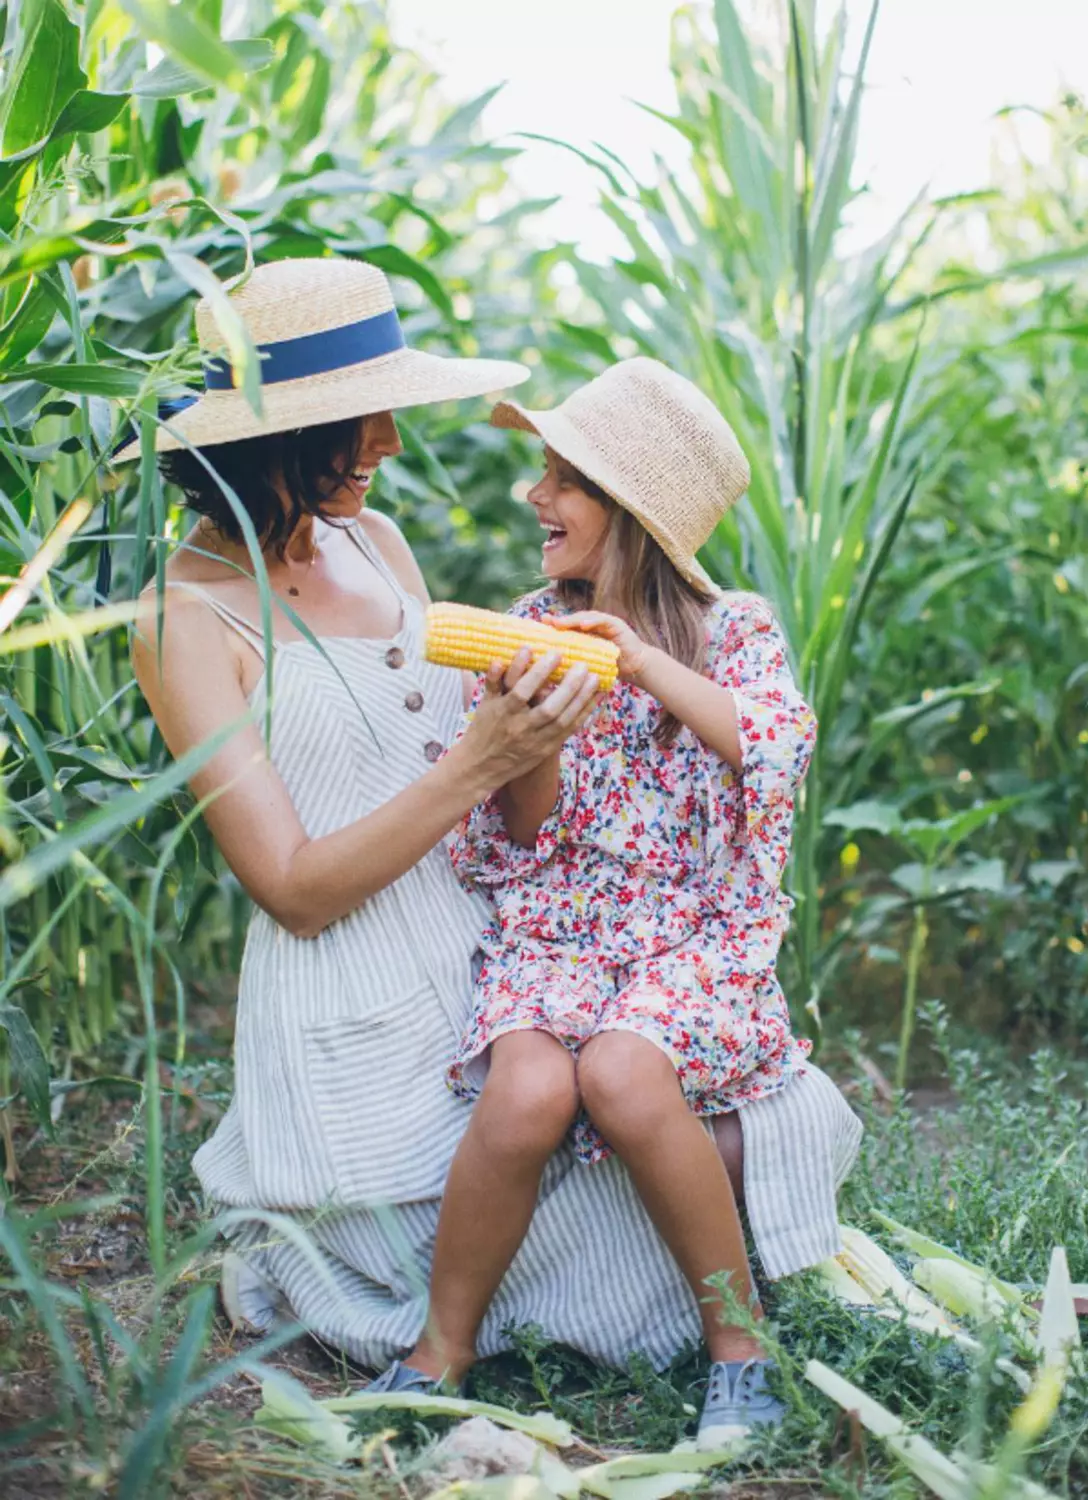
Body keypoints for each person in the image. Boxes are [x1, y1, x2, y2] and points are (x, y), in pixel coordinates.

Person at [125, 257, 862, 1424]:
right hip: (380, 976)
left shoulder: (377, 546)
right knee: (540, 1137)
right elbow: (301, 890)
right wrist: (497, 757)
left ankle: (734, 1317)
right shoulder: (184, 618)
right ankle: (468, 1334)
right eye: (371, 420)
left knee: (645, 1095)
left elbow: (755, 747)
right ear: (291, 432)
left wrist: (551, 731)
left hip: (490, 935)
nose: (394, 447)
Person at [375, 359, 821, 1438]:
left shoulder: (735, 630)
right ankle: (441, 1351)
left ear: (630, 512)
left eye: (562, 481)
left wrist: (635, 663)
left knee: (623, 1068)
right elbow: (530, 835)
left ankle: (740, 1351)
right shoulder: (535, 621)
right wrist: (531, 735)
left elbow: (775, 748)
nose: (537, 497)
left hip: (692, 930)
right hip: (565, 921)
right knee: (527, 1089)